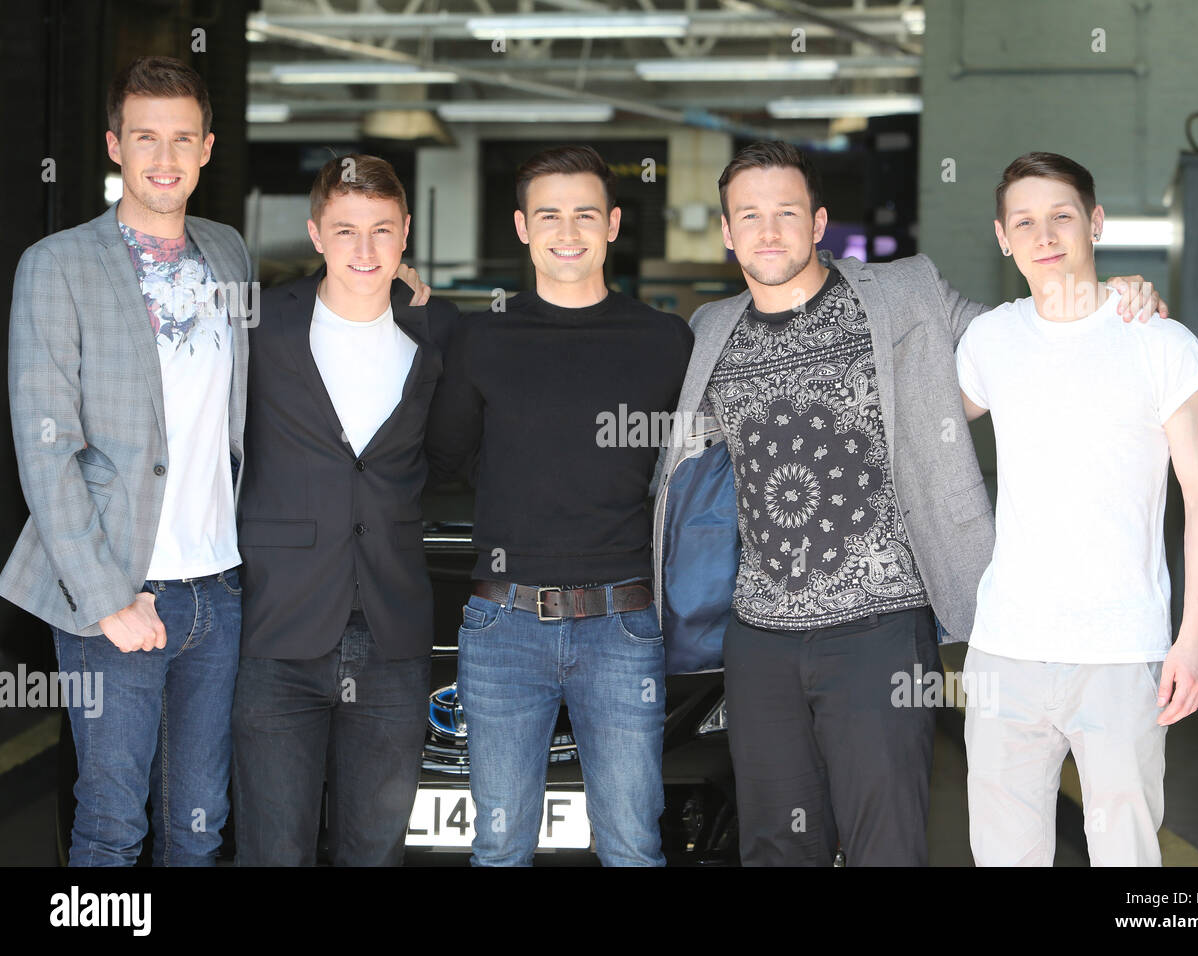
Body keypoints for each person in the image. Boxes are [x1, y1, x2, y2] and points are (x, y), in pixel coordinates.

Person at [651, 140, 1167, 866]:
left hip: (879, 634)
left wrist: (1112, 297)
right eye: (750, 216)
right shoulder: (710, 331)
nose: (769, 231)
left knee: (885, 845)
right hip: (758, 637)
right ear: (728, 232)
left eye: (787, 212)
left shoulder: (903, 293)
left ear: (820, 220)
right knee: (774, 844)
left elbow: (1034, 338)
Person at [1, 55, 250, 865]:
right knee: (112, 825)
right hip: (118, 594)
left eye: (182, 138)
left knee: (200, 825)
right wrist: (109, 599)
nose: (165, 157)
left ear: (208, 147)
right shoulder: (57, 265)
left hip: (217, 587)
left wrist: (399, 294)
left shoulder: (228, 253)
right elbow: (47, 450)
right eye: (146, 137)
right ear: (115, 145)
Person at [956, 151, 1198, 866]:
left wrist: (1193, 636)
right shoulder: (989, 342)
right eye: (1025, 221)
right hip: (1004, 650)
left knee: (1128, 858)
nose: (1044, 234)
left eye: (1061, 216)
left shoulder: (1160, 342)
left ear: (1095, 222)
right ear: (1002, 237)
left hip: (1120, 651)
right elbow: (914, 435)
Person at [427, 145, 693, 866]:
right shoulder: (481, 338)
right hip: (503, 624)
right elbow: (442, 458)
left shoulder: (666, 341)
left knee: (634, 846)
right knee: (499, 847)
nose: (567, 230)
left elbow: (693, 472)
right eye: (549, 214)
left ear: (611, 224)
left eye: (584, 214)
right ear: (521, 226)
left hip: (623, 625)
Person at [230, 154, 459, 866]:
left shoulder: (442, 331)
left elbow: (460, 452)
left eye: (382, 230)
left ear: (406, 234)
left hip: (391, 634)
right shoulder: (260, 325)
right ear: (316, 233)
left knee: (375, 852)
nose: (365, 250)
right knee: (273, 849)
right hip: (278, 628)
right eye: (346, 230)